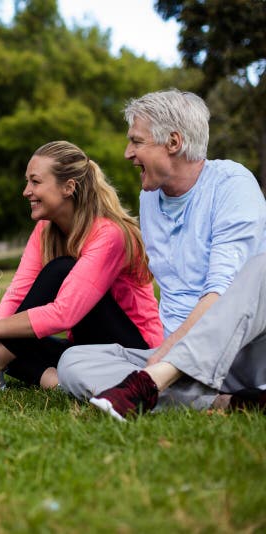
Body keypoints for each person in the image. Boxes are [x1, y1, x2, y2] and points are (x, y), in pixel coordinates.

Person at [56, 89, 266, 419]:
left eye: (136, 141)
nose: (128, 153)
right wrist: (166, 357)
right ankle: (227, 402)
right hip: (176, 364)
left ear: (173, 142)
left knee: (262, 269)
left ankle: (148, 386)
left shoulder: (232, 184)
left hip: (242, 352)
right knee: (73, 361)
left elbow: (221, 291)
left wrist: (168, 354)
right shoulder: (150, 198)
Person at [0, 140, 163, 391]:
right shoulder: (45, 230)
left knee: (61, 269)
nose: (26, 191)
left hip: (134, 350)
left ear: (68, 187)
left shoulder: (110, 235)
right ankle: (55, 381)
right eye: (27, 182)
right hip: (82, 349)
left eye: (35, 182)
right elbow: (17, 295)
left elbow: (64, 314)